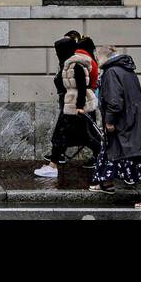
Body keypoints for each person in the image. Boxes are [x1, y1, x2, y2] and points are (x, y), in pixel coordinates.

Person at [90, 45, 141, 209]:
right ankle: (105, 182)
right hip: (134, 118)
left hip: (125, 122)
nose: (96, 60)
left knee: (136, 156)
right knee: (111, 148)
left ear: (103, 57)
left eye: (97, 57)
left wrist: (109, 121)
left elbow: (115, 101)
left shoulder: (111, 72)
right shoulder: (126, 69)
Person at [34, 35, 102, 178]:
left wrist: (79, 106)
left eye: (58, 50)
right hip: (72, 105)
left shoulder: (75, 65)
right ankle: (53, 165)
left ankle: (53, 167)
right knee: (85, 136)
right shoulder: (69, 64)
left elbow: (82, 87)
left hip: (75, 107)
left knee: (67, 135)